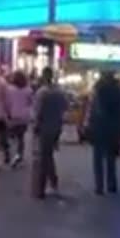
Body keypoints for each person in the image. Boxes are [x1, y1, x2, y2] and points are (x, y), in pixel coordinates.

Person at [87, 71, 120, 195]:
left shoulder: (98, 92)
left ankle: (99, 186)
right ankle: (111, 184)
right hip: (113, 129)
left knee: (98, 158)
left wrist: (90, 126)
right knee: (111, 158)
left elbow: (94, 112)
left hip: (99, 128)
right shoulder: (118, 93)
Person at [33, 68, 68, 197]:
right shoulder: (59, 92)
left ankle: (41, 188)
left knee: (43, 157)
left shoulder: (42, 93)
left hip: (44, 127)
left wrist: (36, 126)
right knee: (48, 155)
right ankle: (53, 181)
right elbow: (65, 108)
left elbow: (37, 112)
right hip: (56, 127)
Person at [5, 70, 34, 169]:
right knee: (21, 138)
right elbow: (30, 103)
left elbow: (7, 103)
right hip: (24, 117)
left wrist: (7, 113)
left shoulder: (9, 89)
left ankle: (10, 154)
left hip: (12, 116)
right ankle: (19, 156)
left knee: (10, 137)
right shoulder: (28, 90)